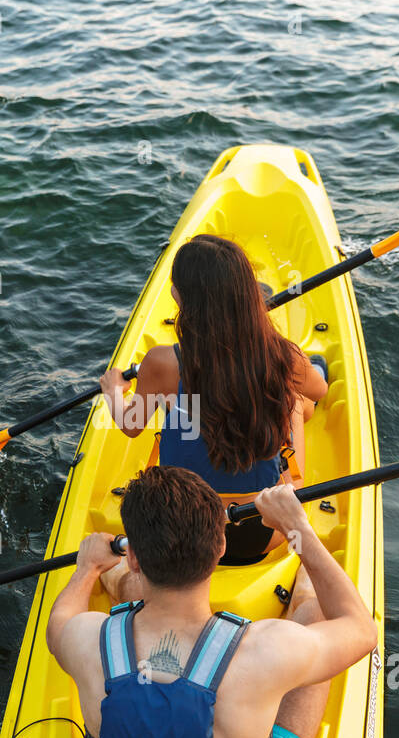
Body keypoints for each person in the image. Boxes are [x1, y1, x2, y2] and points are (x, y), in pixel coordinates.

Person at [46, 465, 376, 738]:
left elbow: (58, 624)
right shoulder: (268, 649)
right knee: (316, 612)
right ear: (220, 547)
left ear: (133, 558)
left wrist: (87, 568)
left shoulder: (88, 639)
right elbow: (360, 630)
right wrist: (298, 530)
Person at [98, 234, 328, 577]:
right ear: (250, 295)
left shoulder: (162, 363)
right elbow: (321, 390)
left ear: (178, 296)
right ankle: (296, 407)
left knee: (185, 405)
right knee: (295, 400)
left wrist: (112, 390)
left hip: (181, 534)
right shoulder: (284, 355)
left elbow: (131, 425)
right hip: (259, 532)